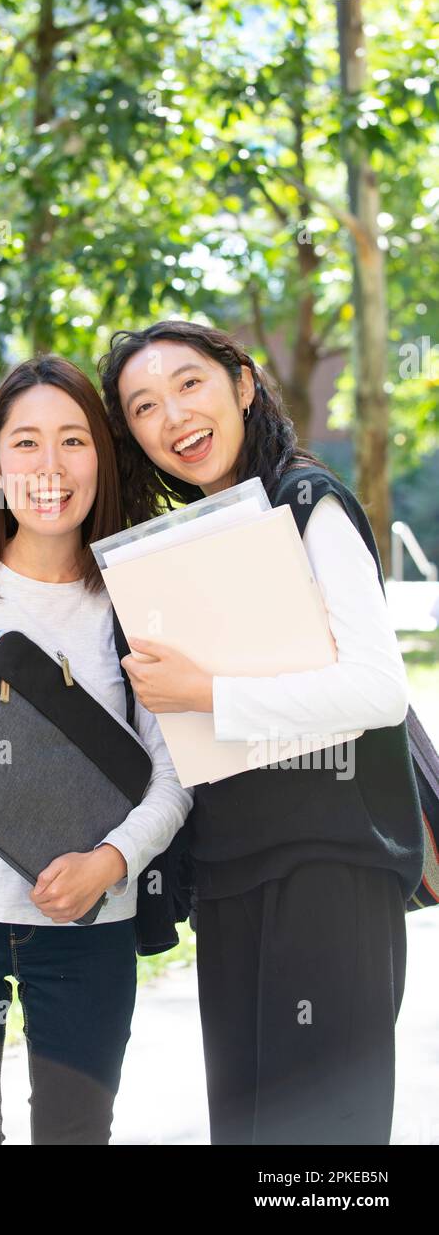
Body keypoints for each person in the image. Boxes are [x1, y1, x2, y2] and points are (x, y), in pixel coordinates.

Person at [98, 320, 423, 1146]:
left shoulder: (306, 501)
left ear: (241, 384)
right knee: (248, 1132)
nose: (171, 415)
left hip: (330, 866)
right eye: (142, 406)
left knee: (321, 1149)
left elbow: (376, 689)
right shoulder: (196, 543)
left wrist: (208, 693)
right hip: (234, 870)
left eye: (188, 385)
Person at [0, 355, 192, 1146]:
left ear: (103, 457)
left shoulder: (138, 598)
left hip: (88, 930)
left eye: (73, 441)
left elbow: (174, 774)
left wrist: (109, 863)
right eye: (25, 443)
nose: (49, 467)